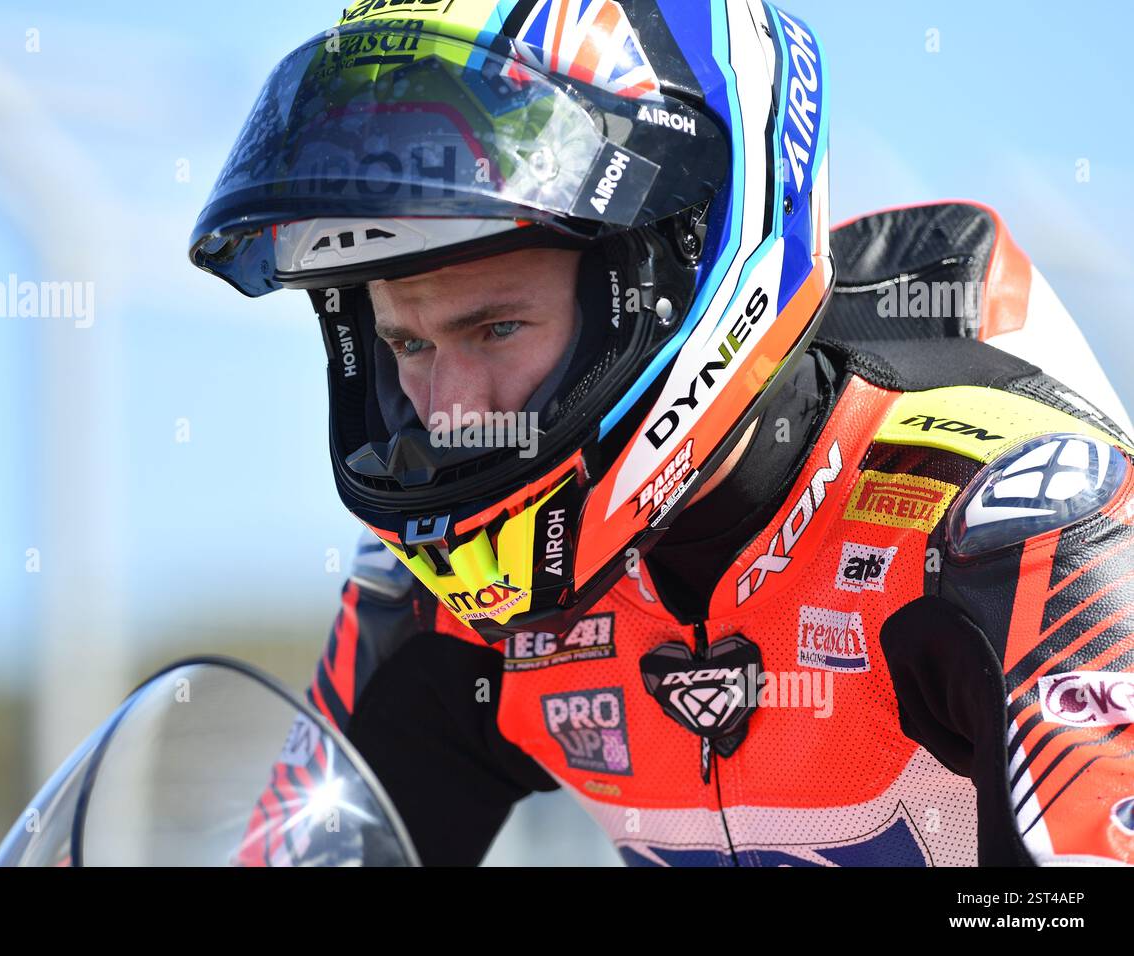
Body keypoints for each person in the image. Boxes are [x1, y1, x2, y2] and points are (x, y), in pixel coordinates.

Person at [191, 0, 1134, 866]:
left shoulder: (1013, 513)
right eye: (404, 340)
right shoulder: (455, 582)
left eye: (497, 329)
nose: (451, 409)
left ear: (677, 273)